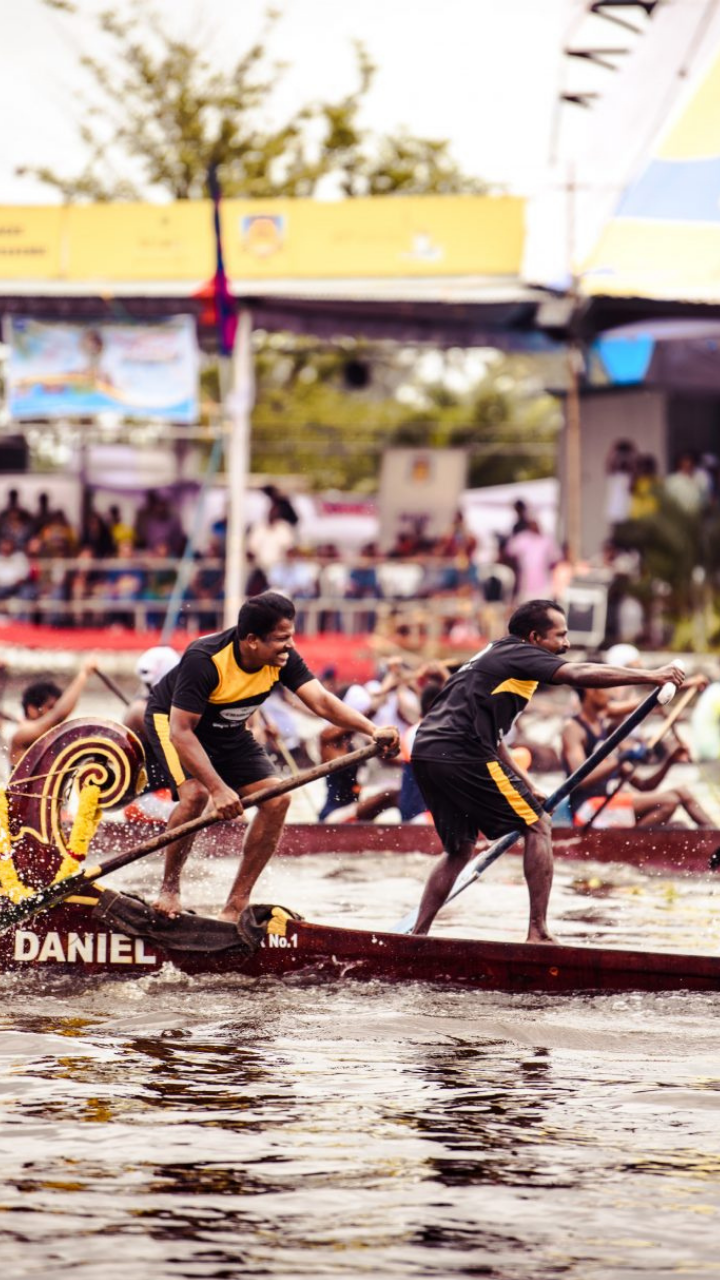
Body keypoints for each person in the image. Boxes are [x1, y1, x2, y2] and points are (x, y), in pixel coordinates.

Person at [409, 599, 686, 941]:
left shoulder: (497, 658)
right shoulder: (517, 653)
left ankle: (417, 937)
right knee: (538, 825)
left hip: (427, 751)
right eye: (561, 635)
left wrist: (527, 783)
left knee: (460, 850)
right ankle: (537, 931)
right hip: (460, 750)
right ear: (535, 638)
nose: (566, 644)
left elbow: (494, 739)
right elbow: (578, 674)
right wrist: (650, 676)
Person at [144, 591, 399, 920]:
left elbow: (321, 703)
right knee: (195, 795)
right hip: (176, 724)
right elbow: (181, 732)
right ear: (251, 640)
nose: (289, 646)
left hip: (229, 731)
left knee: (277, 801)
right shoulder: (204, 659)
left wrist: (370, 729)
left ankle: (235, 906)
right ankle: (169, 890)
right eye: (281, 639)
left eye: (291, 636)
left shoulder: (282, 659)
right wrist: (220, 789)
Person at [561, 686, 713, 829]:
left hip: (608, 807)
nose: (612, 695)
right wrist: (622, 758)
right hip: (586, 810)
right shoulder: (573, 729)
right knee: (669, 801)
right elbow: (579, 780)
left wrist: (670, 761)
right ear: (590, 690)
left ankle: (715, 836)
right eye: (606, 688)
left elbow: (644, 785)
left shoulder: (602, 726)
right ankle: (630, 846)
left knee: (681, 799)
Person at [9, 659, 98, 767]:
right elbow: (58, 716)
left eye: (56, 707)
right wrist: (83, 674)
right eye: (50, 707)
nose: (54, 712)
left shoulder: (57, 741)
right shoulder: (22, 735)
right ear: (32, 710)